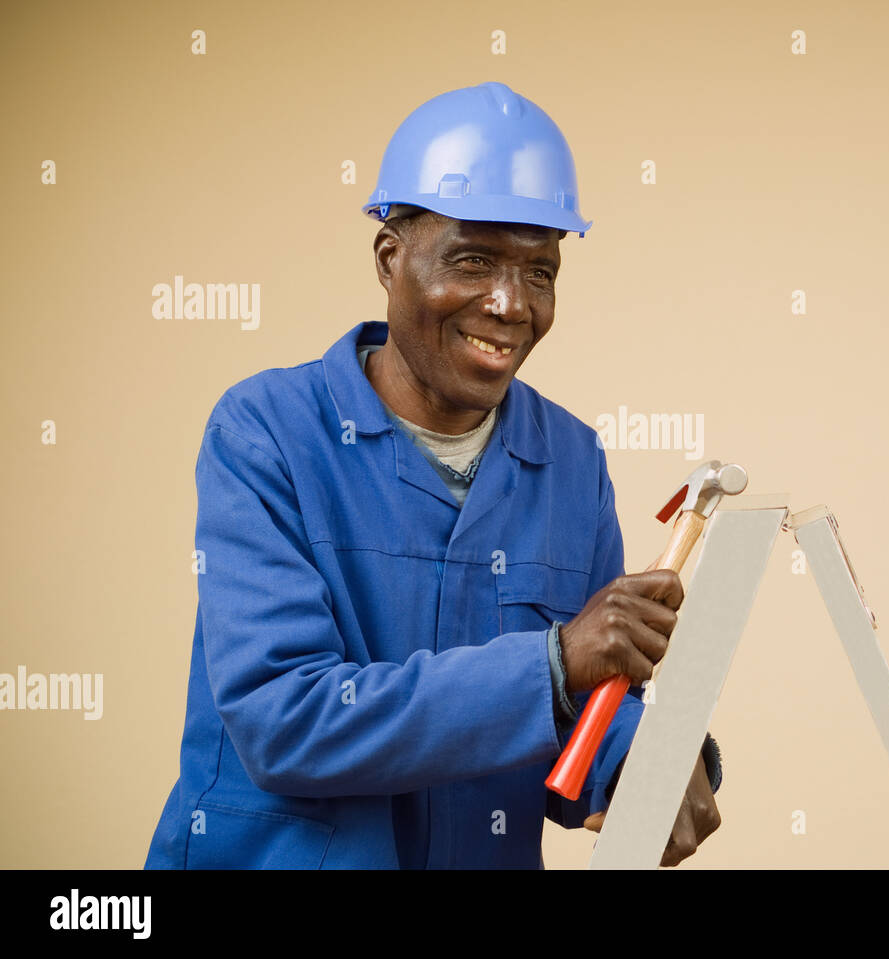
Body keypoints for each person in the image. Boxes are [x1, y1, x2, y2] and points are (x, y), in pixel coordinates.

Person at [144, 81, 722, 869]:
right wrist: (554, 663)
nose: (511, 304)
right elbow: (285, 722)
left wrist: (647, 755)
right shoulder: (266, 432)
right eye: (474, 260)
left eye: (540, 271)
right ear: (391, 259)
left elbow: (582, 714)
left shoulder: (572, 462)